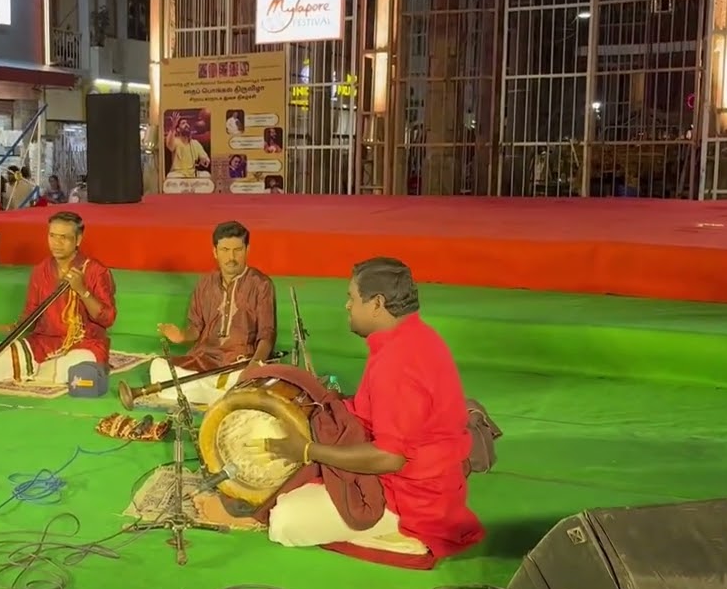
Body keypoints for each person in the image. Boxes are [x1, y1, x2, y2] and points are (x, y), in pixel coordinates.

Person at [262, 257, 484, 560]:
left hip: (411, 502)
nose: (348, 306)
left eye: (352, 298)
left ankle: (400, 536)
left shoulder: (397, 362)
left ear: (377, 303)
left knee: (284, 520)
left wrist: (307, 450)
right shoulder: (418, 337)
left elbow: (389, 457)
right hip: (437, 484)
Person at [0, 211, 116, 387]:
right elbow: (31, 314)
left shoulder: (96, 271)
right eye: (52, 236)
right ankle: (35, 370)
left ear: (78, 240)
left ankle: (34, 370)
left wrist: (82, 290)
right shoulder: (40, 271)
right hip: (44, 343)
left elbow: (107, 318)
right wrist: (17, 327)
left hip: (84, 344)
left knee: (77, 366)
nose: (56, 243)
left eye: (64, 237)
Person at [150, 221, 276, 405]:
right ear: (215, 252)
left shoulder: (261, 285)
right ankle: (222, 397)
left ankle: (204, 393)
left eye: (237, 250)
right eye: (225, 250)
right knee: (158, 366)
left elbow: (267, 334)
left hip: (239, 362)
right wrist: (181, 336)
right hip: (204, 360)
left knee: (249, 379)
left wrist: (256, 363)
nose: (231, 257)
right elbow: (196, 328)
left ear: (247, 250)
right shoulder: (205, 284)